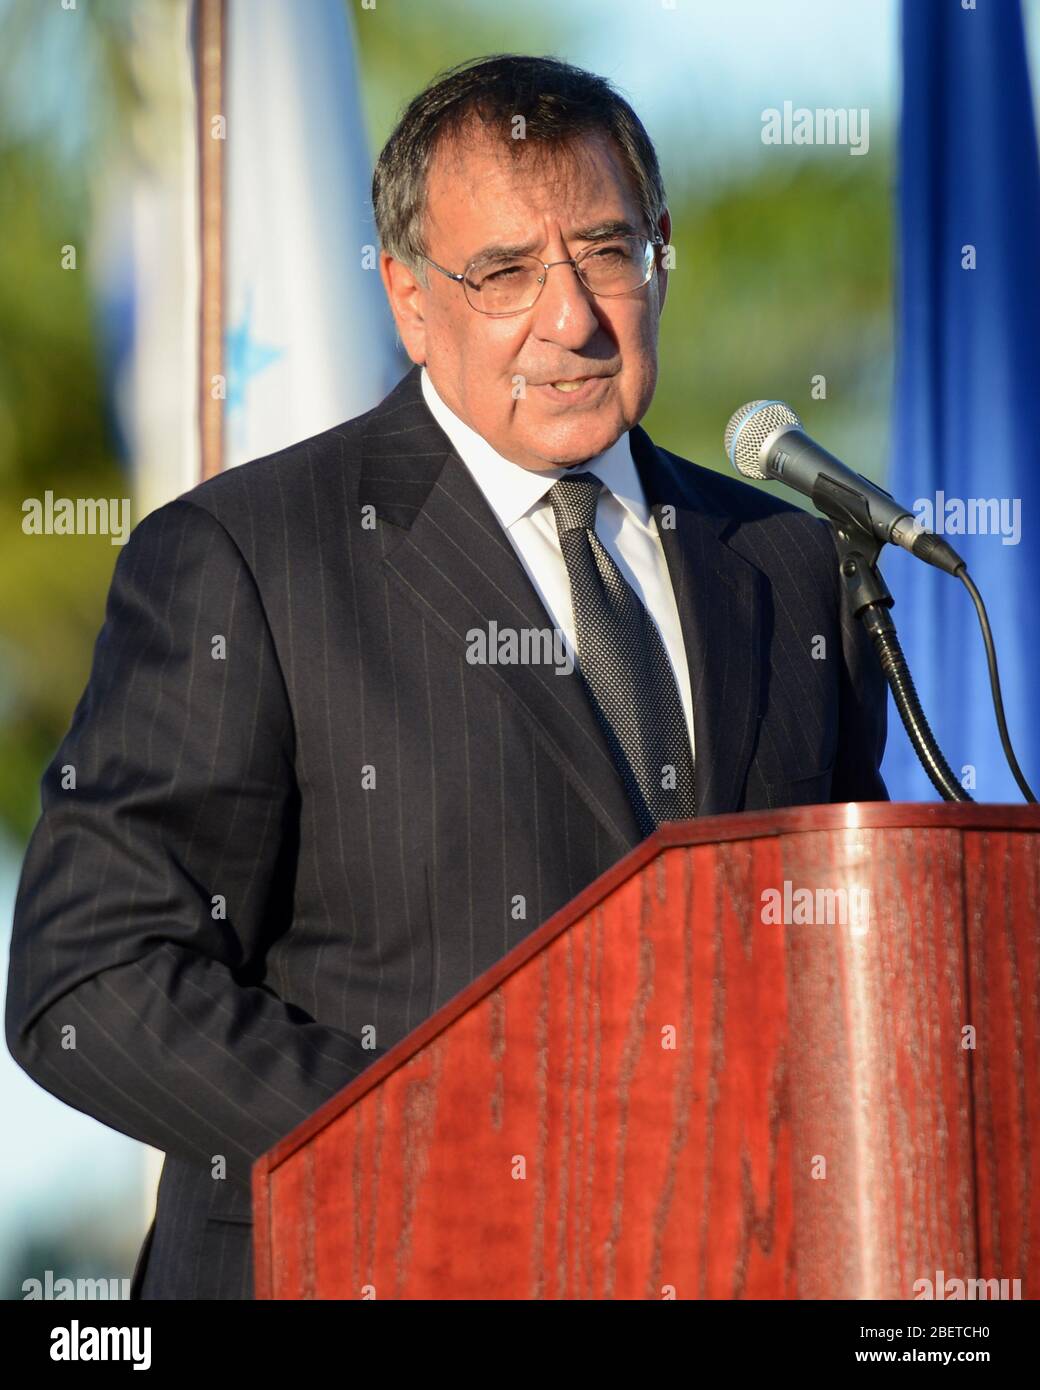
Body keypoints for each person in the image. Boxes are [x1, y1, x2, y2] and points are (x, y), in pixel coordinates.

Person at [5, 54, 887, 1301]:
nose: (570, 317)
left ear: (661, 253)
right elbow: (87, 980)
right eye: (504, 274)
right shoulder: (250, 561)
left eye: (603, 251)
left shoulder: (789, 564)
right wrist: (451, 1136)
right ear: (410, 302)